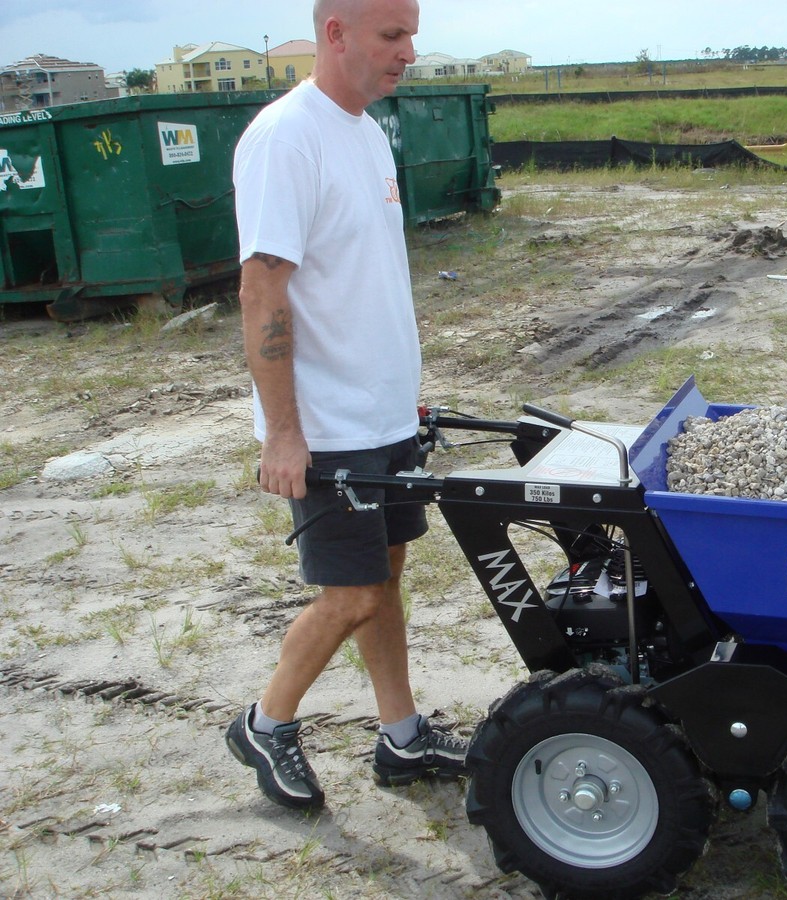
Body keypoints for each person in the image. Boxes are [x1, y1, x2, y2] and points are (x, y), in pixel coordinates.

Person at [225, 0, 466, 812]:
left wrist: (401, 393)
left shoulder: (365, 130)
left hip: (382, 414)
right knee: (352, 593)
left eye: (412, 37)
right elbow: (262, 293)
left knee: (385, 578)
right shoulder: (285, 138)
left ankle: (401, 737)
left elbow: (360, 279)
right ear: (337, 32)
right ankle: (266, 722)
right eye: (393, 36)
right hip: (325, 427)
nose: (409, 54)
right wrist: (285, 433)